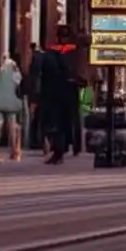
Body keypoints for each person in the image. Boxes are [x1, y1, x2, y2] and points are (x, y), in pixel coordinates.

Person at [39, 26, 82, 165]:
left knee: (58, 123)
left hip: (56, 94)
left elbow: (43, 75)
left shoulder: (50, 55)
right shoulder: (75, 54)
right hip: (69, 93)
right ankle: (72, 147)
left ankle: (61, 151)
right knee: (69, 121)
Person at [0, 52, 24, 163]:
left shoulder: (0, 71)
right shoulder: (15, 71)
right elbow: (18, 84)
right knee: (12, 126)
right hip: (11, 102)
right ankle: (14, 152)